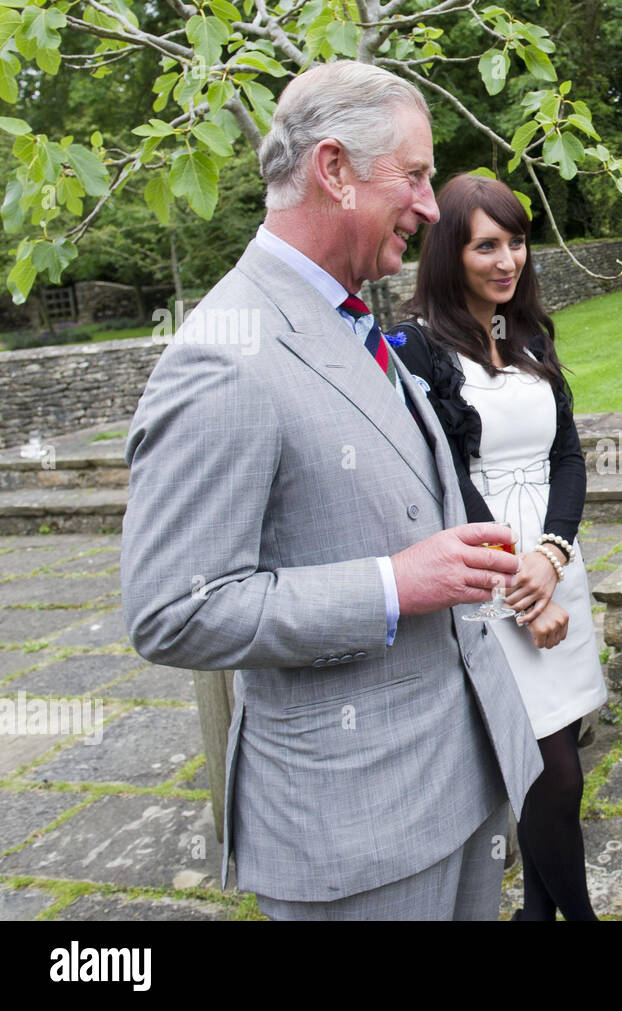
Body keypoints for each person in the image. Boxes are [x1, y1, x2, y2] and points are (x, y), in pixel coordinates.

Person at [119, 60, 543, 920]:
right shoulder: (222, 355)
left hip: (464, 772)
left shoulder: (348, 312)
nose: (431, 206)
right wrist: (394, 584)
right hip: (358, 829)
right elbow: (173, 608)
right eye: (417, 177)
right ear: (335, 169)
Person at [391, 173, 606, 922]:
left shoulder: (531, 332)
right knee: (554, 773)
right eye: (487, 244)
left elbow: (568, 456)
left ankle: (536, 916)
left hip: (552, 561)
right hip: (489, 582)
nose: (508, 259)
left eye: (516, 241)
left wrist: (553, 554)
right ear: (451, 250)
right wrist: (519, 580)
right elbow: (443, 474)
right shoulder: (414, 349)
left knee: (559, 753)